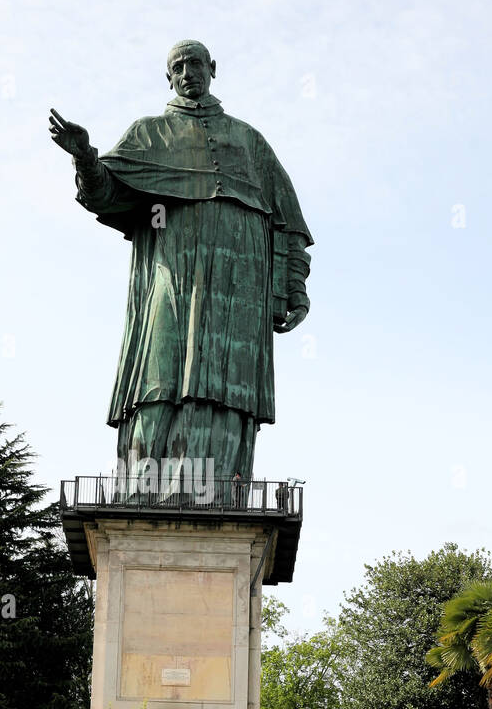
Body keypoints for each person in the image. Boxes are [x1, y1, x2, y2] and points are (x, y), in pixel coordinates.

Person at [49, 40, 313, 481]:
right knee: (161, 372)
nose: (187, 72)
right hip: (172, 277)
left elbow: (288, 224)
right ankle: (146, 487)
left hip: (240, 287)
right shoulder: (149, 134)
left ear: (213, 68)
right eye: (177, 66)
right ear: (168, 78)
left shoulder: (249, 141)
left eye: (195, 63)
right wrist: (85, 157)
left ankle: (220, 489)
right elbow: (105, 194)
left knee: (227, 386)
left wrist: (293, 289)